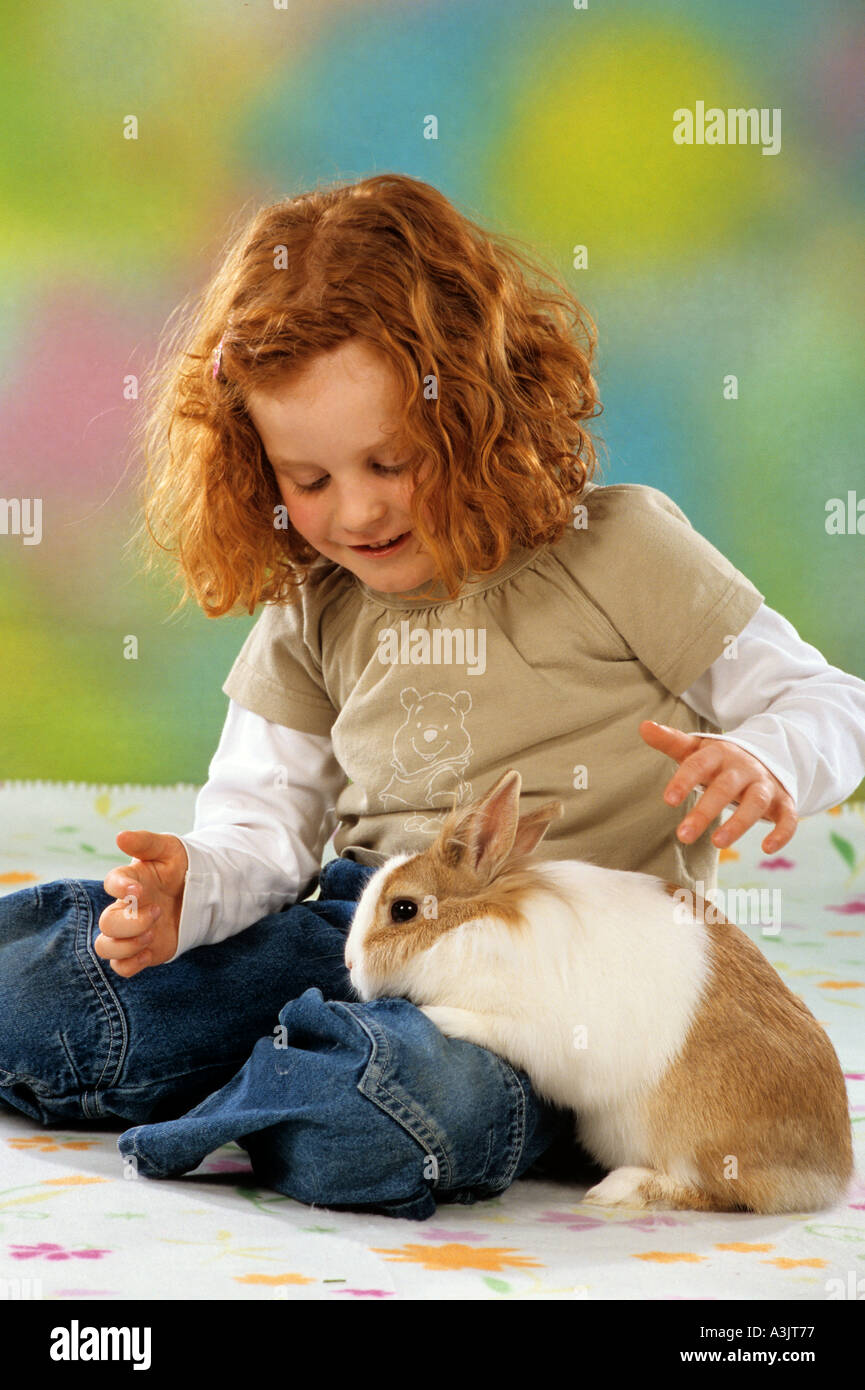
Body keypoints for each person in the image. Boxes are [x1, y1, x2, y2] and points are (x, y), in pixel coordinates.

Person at [2, 174, 864, 1220]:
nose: (354, 510)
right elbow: (259, 829)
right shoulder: (313, 606)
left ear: (474, 410)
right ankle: (267, 1071)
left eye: (389, 460)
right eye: (308, 480)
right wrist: (198, 891)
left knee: (398, 1108)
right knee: (48, 989)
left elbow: (831, 702)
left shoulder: (623, 549)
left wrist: (768, 757)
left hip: (547, 996)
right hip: (354, 929)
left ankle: (278, 1083)